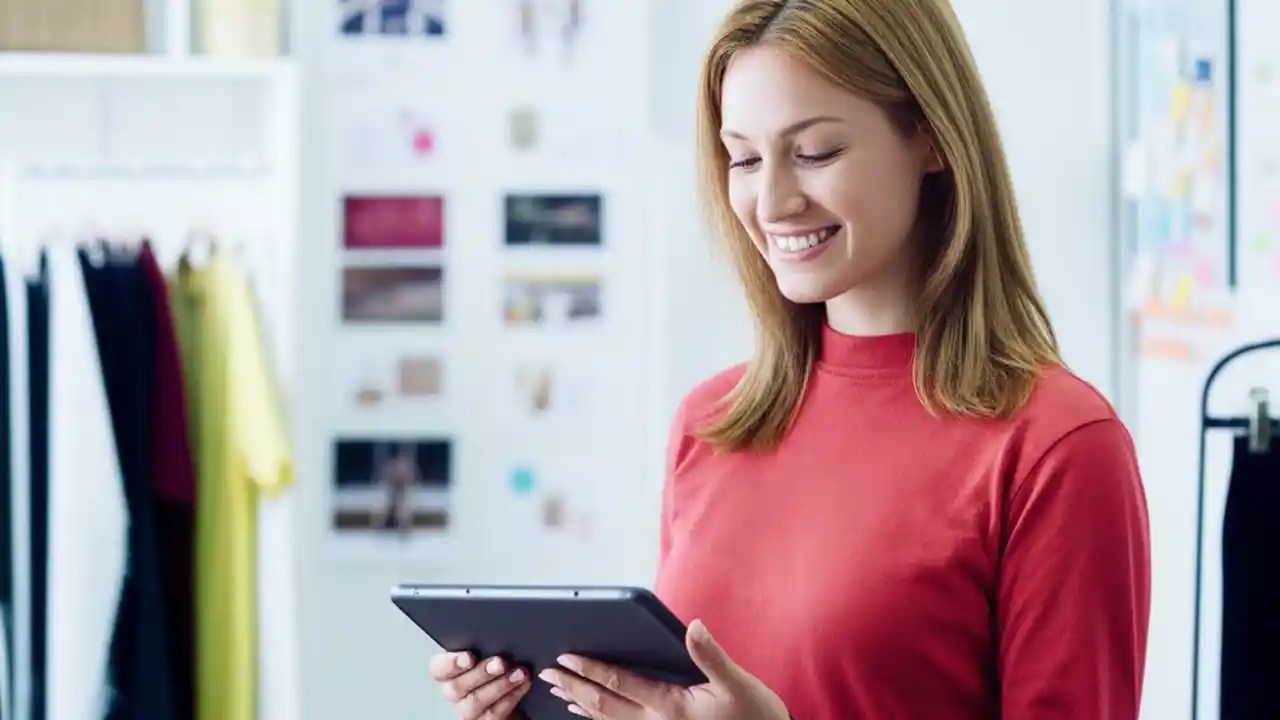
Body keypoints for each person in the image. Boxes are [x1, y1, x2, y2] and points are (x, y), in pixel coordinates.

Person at [427, 0, 1153, 717]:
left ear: (931, 138)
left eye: (814, 153)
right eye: (743, 158)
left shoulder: (1057, 448)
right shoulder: (709, 425)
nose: (770, 200)